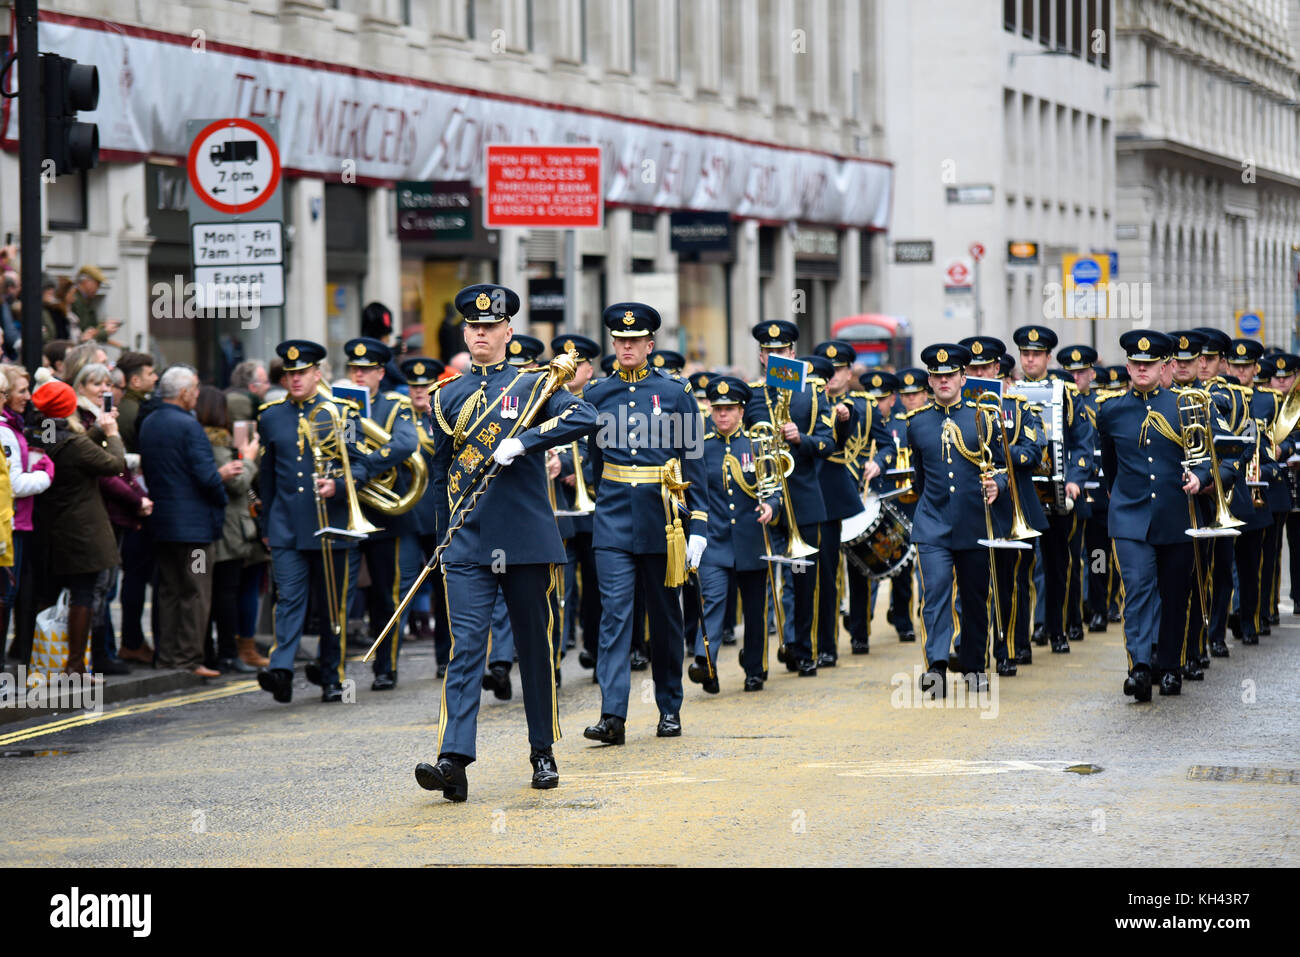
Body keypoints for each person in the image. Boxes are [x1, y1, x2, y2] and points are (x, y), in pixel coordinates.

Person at [415, 284, 596, 801]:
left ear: (508, 332)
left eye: (490, 327)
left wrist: (528, 440)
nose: (481, 334)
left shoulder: (533, 384)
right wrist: (440, 542)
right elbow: (442, 471)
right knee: (465, 649)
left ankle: (543, 750)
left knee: (534, 649)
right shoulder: (446, 393)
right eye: (473, 327)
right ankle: (453, 760)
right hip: (468, 540)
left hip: (524, 541)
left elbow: (585, 417)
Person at [580, 302, 707, 747]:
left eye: (635, 341)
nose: (627, 346)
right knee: (614, 617)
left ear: (650, 345)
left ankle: (669, 705)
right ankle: (612, 714)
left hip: (665, 521)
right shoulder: (596, 395)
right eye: (620, 340)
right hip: (613, 518)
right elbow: (596, 460)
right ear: (613, 344)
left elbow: (695, 459)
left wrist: (701, 524)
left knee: (666, 617)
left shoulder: (675, 394)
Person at [1096, 331, 1221, 700]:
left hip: (1177, 514)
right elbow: (1110, 466)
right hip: (1130, 517)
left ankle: (1170, 666)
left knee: (1174, 594)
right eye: (1135, 363)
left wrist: (1202, 478)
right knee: (1136, 590)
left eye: (1149, 364)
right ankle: (1139, 667)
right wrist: (1123, 498)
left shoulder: (1187, 406)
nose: (1140, 369)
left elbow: (1215, 458)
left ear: (1164, 366)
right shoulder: (1111, 411)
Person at [255, 340, 377, 704]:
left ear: (317, 373)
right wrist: (266, 527)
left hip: (332, 525)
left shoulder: (343, 411)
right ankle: (281, 671)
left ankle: (333, 675)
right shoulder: (271, 415)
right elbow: (267, 477)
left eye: (302, 373)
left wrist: (337, 485)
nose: (294, 380)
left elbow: (364, 466)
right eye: (289, 374)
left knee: (333, 607)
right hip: (286, 525)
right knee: (289, 599)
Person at [906, 343, 1006, 697]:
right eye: (937, 376)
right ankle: (935, 665)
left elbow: (1002, 466)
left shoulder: (984, 416)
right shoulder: (916, 424)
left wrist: (999, 484)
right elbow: (919, 478)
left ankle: (974, 665)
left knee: (976, 597)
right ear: (929, 381)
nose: (943, 381)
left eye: (950, 375)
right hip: (933, 522)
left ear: (964, 377)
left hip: (975, 522)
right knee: (934, 592)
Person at [743, 321, 836, 676]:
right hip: (762, 497)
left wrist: (801, 440)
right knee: (763, 575)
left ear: (793, 356)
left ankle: (804, 648)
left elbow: (829, 443)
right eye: (769, 352)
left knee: (803, 577)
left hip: (802, 497)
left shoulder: (812, 393)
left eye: (783, 352)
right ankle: (763, 655)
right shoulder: (751, 394)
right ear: (762, 357)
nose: (776, 357)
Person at [138, 366, 233, 678]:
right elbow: (207, 477)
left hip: (163, 525)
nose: (197, 394)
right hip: (194, 531)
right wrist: (222, 495)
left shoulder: (149, 422)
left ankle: (166, 657)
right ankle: (189, 659)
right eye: (194, 388)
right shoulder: (190, 427)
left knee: (168, 591)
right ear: (183, 393)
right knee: (195, 591)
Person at [30, 380, 126, 677]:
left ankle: (38, 657)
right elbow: (115, 464)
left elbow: (71, 447)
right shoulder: (75, 444)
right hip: (82, 532)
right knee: (83, 595)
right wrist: (112, 433)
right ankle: (74, 664)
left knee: (48, 593)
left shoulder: (36, 433)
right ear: (69, 407)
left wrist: (97, 428)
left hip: (47, 529)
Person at [342, 335, 421, 691]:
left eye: (366, 370)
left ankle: (385, 668)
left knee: (385, 595)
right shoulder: (337, 407)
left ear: (379, 373)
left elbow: (406, 443)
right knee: (340, 593)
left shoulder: (395, 405)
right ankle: (333, 672)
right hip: (344, 510)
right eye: (354, 370)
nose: (359, 376)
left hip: (386, 515)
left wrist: (365, 467)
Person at [693, 376, 781, 692]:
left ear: (742, 411)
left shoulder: (756, 445)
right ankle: (706, 664)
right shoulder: (702, 448)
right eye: (717, 409)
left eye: (729, 409)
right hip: (715, 540)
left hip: (750, 539)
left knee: (755, 610)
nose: (723, 415)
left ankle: (754, 669)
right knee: (713, 601)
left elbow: (775, 489)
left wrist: (772, 506)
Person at [1012, 325, 1094, 654]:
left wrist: (1075, 479)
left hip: (1058, 494)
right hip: (1022, 494)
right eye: (1025, 354)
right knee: (1022, 568)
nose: (1030, 360)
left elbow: (1082, 443)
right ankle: (1027, 637)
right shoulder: (1011, 391)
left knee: (1059, 565)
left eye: (1036, 354)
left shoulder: (1066, 392)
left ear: (1048, 357)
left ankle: (1057, 629)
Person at [811, 341, 891, 664]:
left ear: (849, 372)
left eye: (839, 370)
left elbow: (885, 445)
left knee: (860, 567)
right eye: (826, 371)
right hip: (823, 495)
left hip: (857, 493)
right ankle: (827, 645)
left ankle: (860, 633)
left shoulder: (866, 405)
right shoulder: (811, 403)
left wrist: (879, 463)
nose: (832, 377)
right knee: (827, 573)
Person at [73, 363, 150, 675]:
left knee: (105, 586)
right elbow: (109, 467)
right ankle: (91, 658)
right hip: (97, 512)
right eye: (96, 383)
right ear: (79, 386)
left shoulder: (97, 419)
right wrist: (136, 499)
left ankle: (100, 653)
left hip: (111, 511)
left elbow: (118, 467)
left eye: (107, 383)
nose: (105, 389)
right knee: (98, 587)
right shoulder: (84, 419)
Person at [194, 385, 265, 673]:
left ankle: (216, 651)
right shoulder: (217, 443)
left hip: (219, 526)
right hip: (229, 526)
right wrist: (248, 458)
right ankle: (226, 652)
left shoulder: (204, 439)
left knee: (218, 591)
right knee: (226, 592)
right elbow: (237, 483)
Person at [550, 335, 603, 676]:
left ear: (589, 368)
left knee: (598, 589)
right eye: (565, 364)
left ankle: (597, 654)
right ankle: (553, 662)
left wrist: (576, 469)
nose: (570, 371)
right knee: (559, 590)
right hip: (560, 509)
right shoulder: (549, 398)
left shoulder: (599, 398)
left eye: (577, 365)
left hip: (595, 510)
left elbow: (604, 446)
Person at [400, 355, 453, 677]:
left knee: (445, 591)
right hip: (407, 515)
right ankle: (386, 665)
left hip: (439, 514)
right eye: (414, 387)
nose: (420, 392)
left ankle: (445, 658)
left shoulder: (447, 415)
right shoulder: (398, 416)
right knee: (402, 587)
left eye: (426, 387)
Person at [0, 365, 53, 658]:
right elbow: (16, 485)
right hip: (12, 525)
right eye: (20, 390)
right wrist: (46, 473)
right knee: (6, 598)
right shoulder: (6, 432)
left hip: (16, 523)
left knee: (10, 597)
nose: (28, 397)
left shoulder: (14, 428)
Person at [69, 265, 122, 345]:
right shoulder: (75, 300)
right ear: (86, 281)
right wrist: (104, 331)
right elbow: (83, 332)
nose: (98, 288)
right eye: (97, 283)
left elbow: (90, 327)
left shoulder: (85, 300)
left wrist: (103, 326)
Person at [226, 360, 270, 424]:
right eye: (266, 382)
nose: (269, 386)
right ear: (253, 387)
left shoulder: (227, 397)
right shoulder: (242, 404)